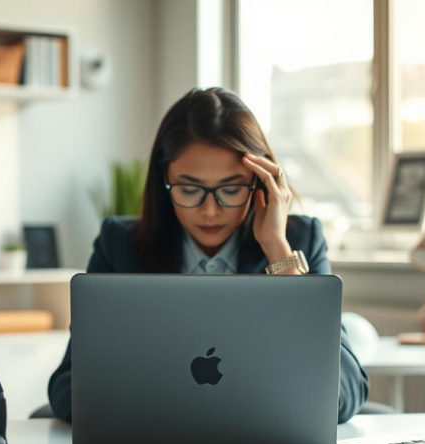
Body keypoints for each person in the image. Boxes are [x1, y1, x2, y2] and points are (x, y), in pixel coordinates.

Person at [48, 87, 369, 423]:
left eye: (231, 189)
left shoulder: (299, 239)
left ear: (261, 183)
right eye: (189, 189)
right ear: (164, 181)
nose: (210, 210)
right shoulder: (119, 245)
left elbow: (343, 396)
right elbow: (67, 390)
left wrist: (277, 249)